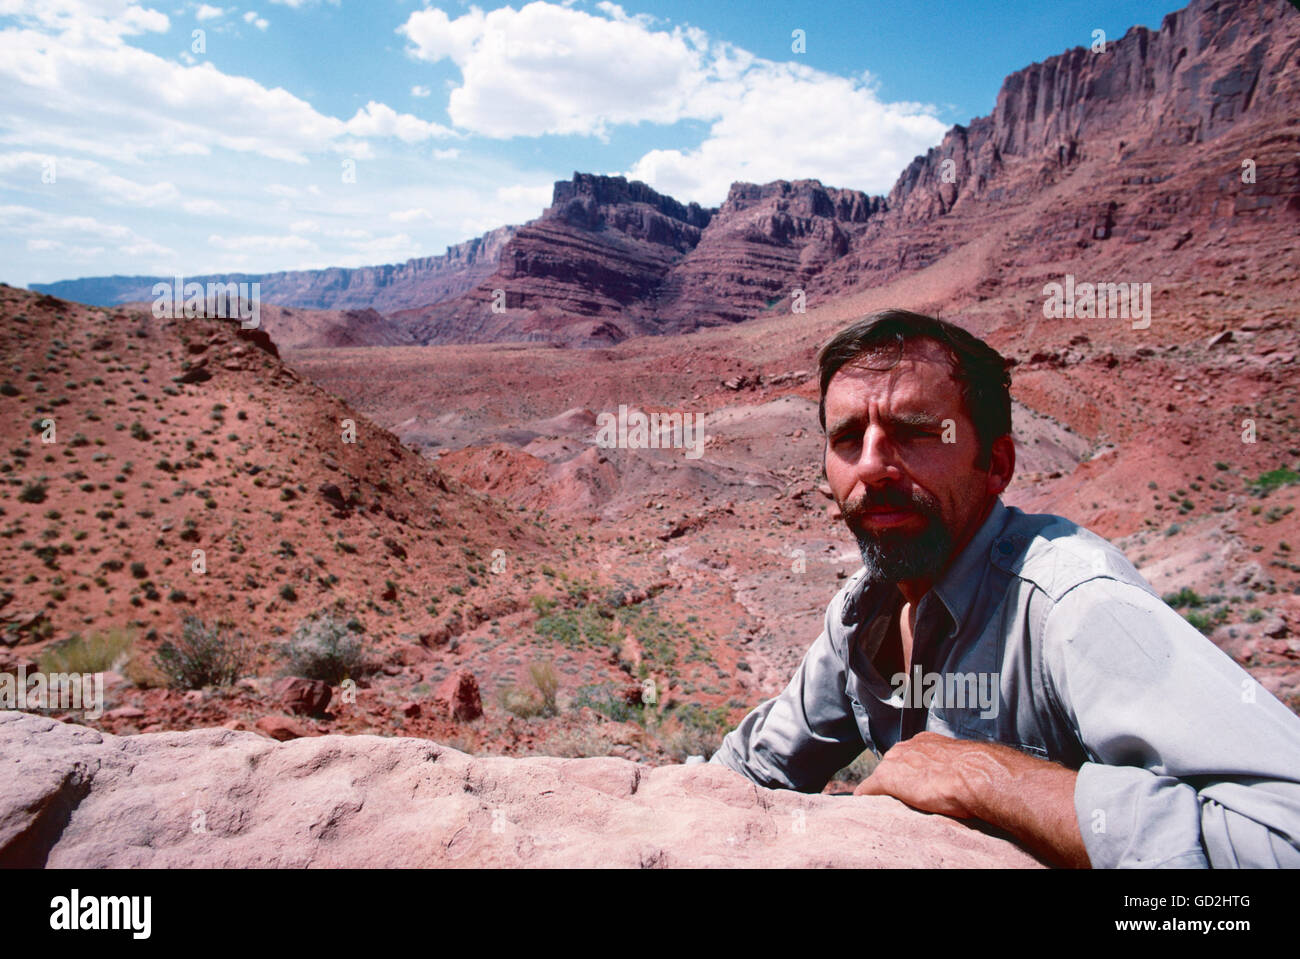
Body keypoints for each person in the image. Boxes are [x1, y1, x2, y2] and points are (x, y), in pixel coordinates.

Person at [710, 309, 1300, 868]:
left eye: (914, 431)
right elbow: (746, 774)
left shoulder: (1073, 605)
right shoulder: (866, 613)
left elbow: (1283, 837)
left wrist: (986, 779)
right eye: (846, 439)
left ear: (997, 466)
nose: (871, 466)